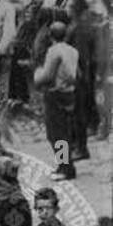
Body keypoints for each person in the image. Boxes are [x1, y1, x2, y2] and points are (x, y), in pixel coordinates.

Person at [33, 20, 79, 180]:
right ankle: (65, 166)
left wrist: (36, 73)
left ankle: (65, 169)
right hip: (70, 93)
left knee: (56, 134)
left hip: (55, 93)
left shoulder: (53, 51)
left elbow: (46, 76)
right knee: (63, 131)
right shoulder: (73, 50)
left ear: (50, 35)